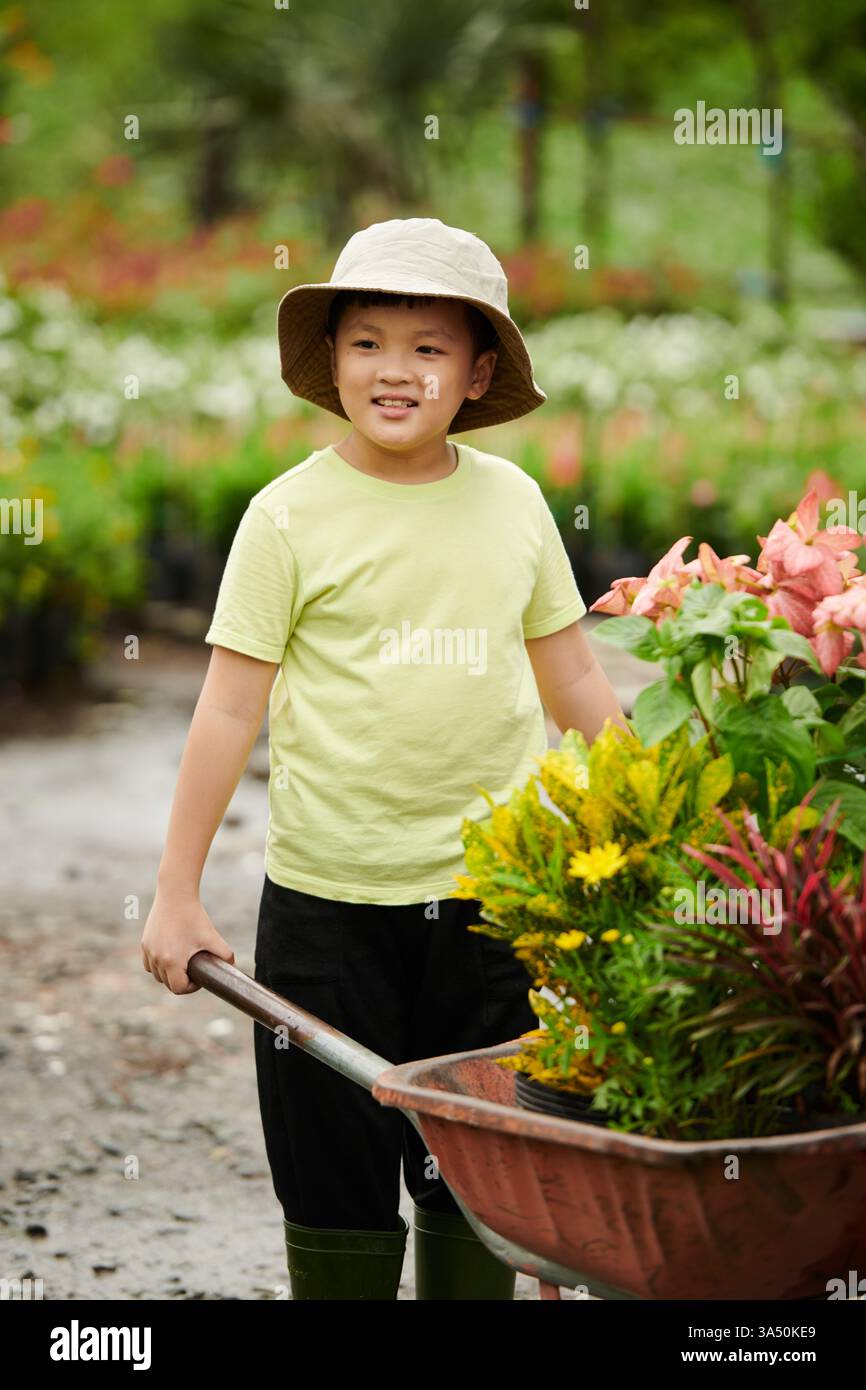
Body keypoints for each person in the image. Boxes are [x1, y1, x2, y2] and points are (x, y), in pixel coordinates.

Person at [140, 217, 627, 1300]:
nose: (393, 371)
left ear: (476, 371)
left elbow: (577, 684)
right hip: (326, 903)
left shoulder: (513, 506)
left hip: (491, 903)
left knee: (481, 1170)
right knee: (330, 1178)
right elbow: (226, 712)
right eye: (366, 342)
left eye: (427, 347)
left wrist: (661, 836)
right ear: (331, 363)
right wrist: (175, 892)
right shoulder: (288, 517)